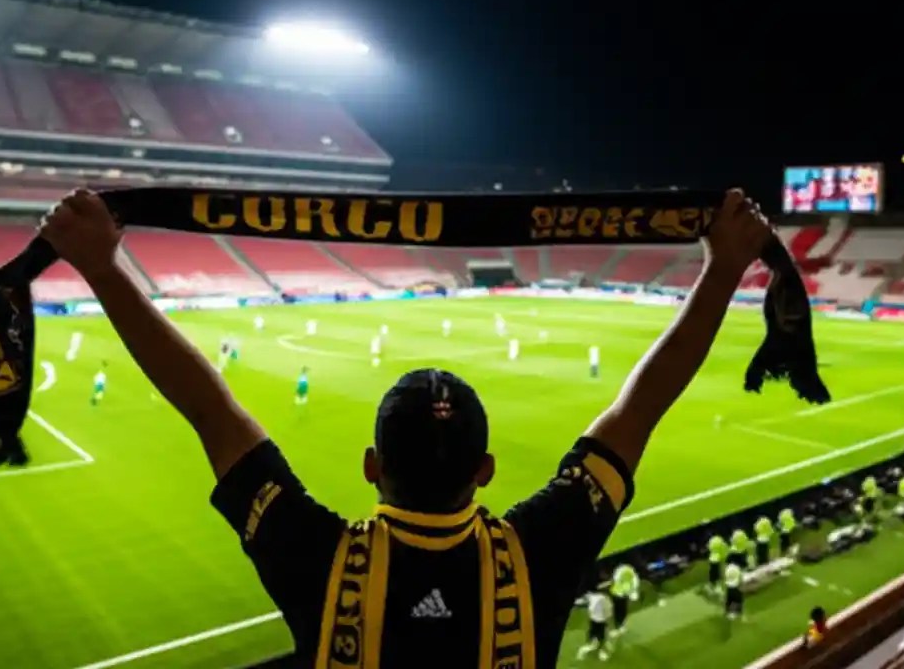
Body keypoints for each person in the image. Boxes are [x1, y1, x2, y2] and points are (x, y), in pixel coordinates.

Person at [38, 188, 772, 666]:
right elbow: (636, 412)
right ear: (485, 469)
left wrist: (103, 267)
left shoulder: (322, 563)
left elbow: (212, 411)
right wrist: (723, 270)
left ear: (370, 465)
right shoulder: (534, 553)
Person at [578, 590, 614, 661]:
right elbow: (608, 613)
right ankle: (599, 650)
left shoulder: (593, 596)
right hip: (598, 621)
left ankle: (598, 648)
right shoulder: (604, 599)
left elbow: (583, 601)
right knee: (600, 637)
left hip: (596, 621)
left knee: (596, 637)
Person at [608, 562, 639, 639]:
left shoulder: (620, 571)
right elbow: (635, 581)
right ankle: (620, 626)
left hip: (618, 593)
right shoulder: (629, 571)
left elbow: (615, 580)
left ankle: (619, 627)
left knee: (618, 611)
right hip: (622, 593)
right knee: (622, 610)